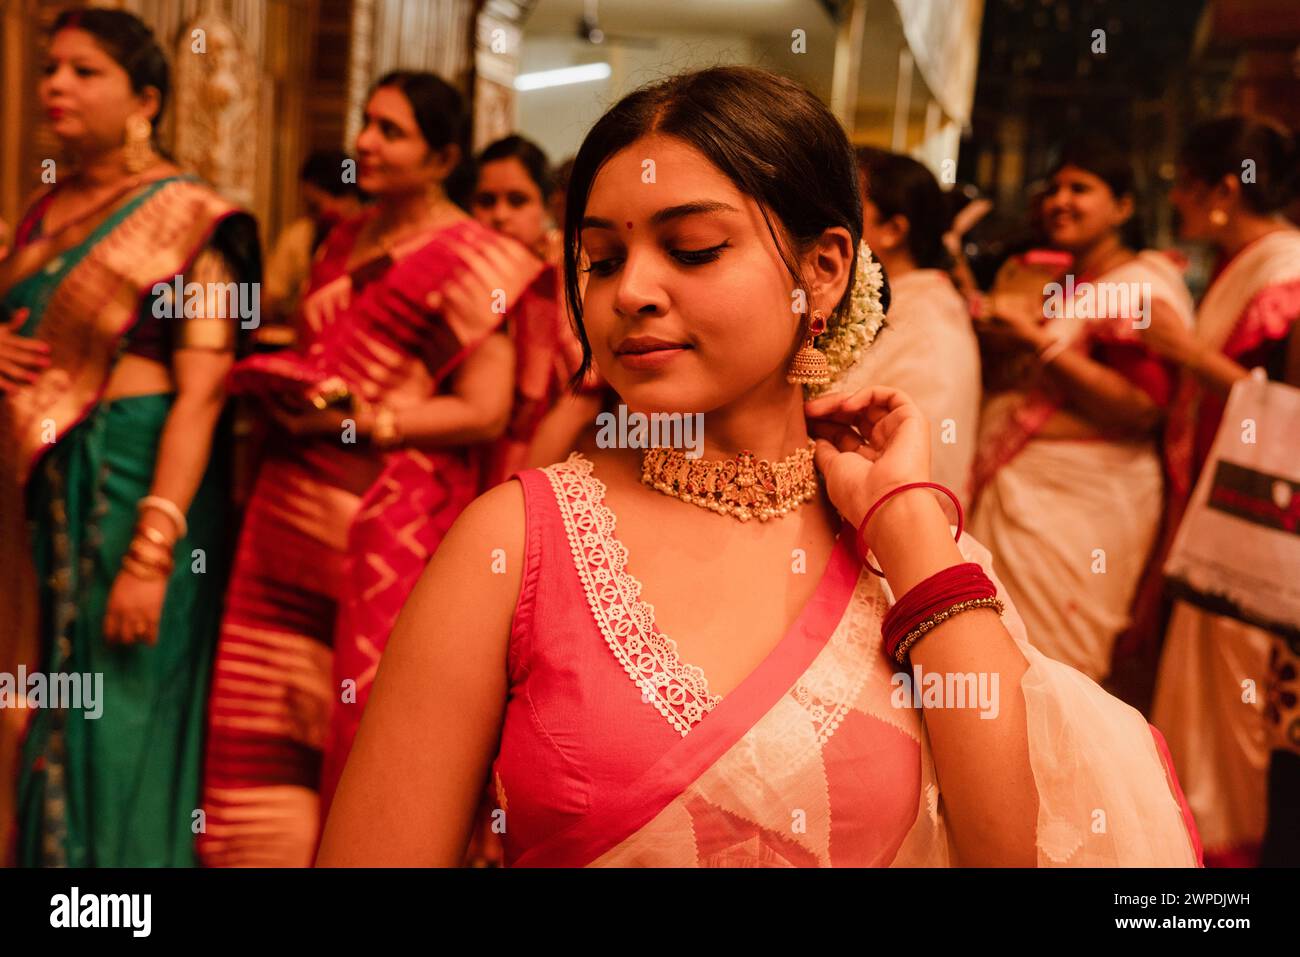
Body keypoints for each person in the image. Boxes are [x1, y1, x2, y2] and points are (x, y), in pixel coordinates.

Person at [317, 67, 1200, 868]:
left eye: (694, 247)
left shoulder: (903, 551)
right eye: (602, 258)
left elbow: (1017, 847)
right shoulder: (514, 544)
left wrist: (906, 521)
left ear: (821, 272)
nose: (630, 292)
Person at [199, 70, 543, 867]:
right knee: (281, 703)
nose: (364, 143)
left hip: (386, 520)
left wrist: (363, 421)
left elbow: (485, 410)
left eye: (390, 131)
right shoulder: (345, 239)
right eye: (365, 123)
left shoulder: (472, 258)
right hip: (293, 504)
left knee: (364, 713)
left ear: (442, 155)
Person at [0, 8, 259, 866]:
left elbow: (204, 391)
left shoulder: (192, 220)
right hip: (42, 487)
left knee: (123, 710)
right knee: (43, 703)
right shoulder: (42, 215)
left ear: (145, 98)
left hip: (137, 488)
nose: (55, 87)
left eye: (84, 71)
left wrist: (153, 550)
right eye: (50, 68)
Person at [967, 141, 1195, 683]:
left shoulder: (1136, 286)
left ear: (1123, 207)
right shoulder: (1073, 283)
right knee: (1004, 652)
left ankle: (1055, 766)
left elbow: (1142, 410)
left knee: (1057, 668)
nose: (1059, 202)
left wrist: (1037, 343)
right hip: (1039, 495)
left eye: (1080, 189)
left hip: (1086, 503)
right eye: (1053, 189)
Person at [1145, 116, 1300, 867]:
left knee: (1235, 710)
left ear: (1219, 192)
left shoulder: (1285, 274)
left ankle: (1223, 866)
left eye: (1182, 183)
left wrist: (1185, 355)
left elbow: (1292, 415)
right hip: (1213, 516)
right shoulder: (1248, 263)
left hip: (1256, 533)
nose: (1173, 199)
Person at [837, 147, 981, 509]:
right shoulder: (901, 299)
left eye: (845, 202)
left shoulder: (930, 320)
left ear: (893, 229)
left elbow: (926, 471)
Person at [469, 134, 571, 487]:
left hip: (542, 472)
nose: (499, 215)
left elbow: (580, 399)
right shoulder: (461, 283)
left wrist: (520, 491)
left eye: (517, 201)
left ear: (547, 207)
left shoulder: (562, 280)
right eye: (486, 201)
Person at [260, 149, 364, 332]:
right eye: (309, 206)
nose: (313, 215)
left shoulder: (377, 236)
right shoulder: (300, 236)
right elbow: (270, 298)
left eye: (314, 206)